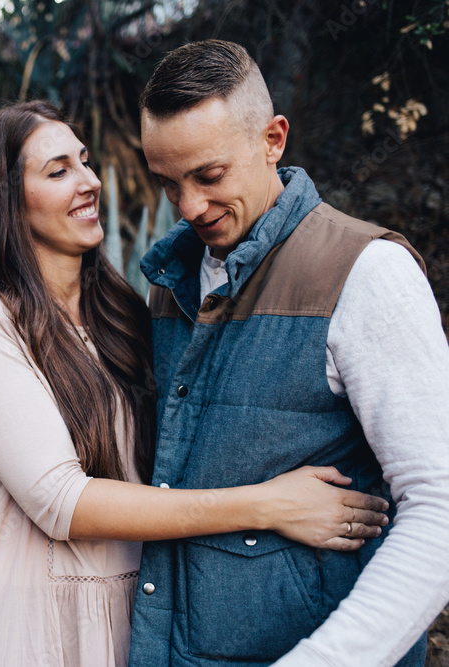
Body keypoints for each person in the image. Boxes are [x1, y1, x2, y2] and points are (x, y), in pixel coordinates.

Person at [0, 100, 391, 667]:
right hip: (15, 621)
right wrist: (270, 505)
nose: (88, 182)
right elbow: (61, 500)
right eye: (58, 171)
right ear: (4, 201)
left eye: (84, 162)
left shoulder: (127, 314)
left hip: (129, 618)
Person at [129, 39, 449, 667]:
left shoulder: (369, 272)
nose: (189, 207)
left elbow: (438, 509)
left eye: (209, 176)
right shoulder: (171, 282)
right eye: (168, 183)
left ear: (273, 140)